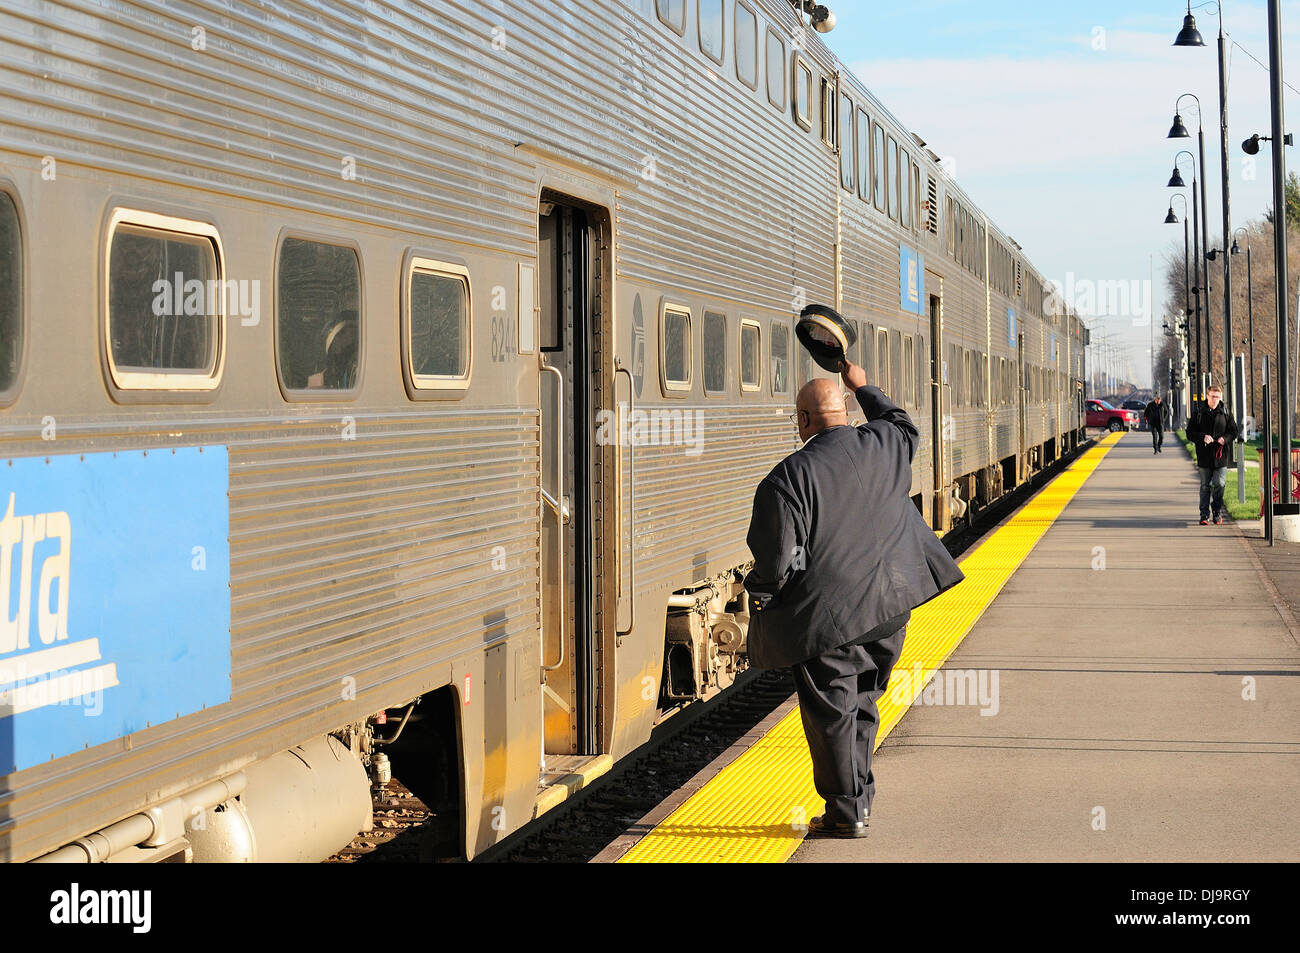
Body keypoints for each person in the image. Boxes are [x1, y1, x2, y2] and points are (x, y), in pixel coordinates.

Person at [743, 360, 965, 838]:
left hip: (832, 620)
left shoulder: (786, 478)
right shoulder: (885, 445)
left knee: (832, 716)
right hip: (890, 611)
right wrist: (861, 384)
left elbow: (776, 561)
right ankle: (859, 800)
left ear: (802, 421)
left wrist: (760, 591)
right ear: (845, 413)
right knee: (864, 701)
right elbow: (901, 422)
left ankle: (846, 813)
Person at [1185, 385, 1240, 525]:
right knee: (1205, 486)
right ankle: (1204, 515)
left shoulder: (1226, 413)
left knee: (1219, 484)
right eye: (1212, 396)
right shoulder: (1198, 412)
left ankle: (1216, 511)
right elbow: (1189, 433)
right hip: (1204, 456)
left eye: (1217, 397)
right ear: (1207, 396)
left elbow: (1234, 431)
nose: (1215, 399)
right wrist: (1202, 437)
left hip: (1221, 456)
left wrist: (1225, 439)